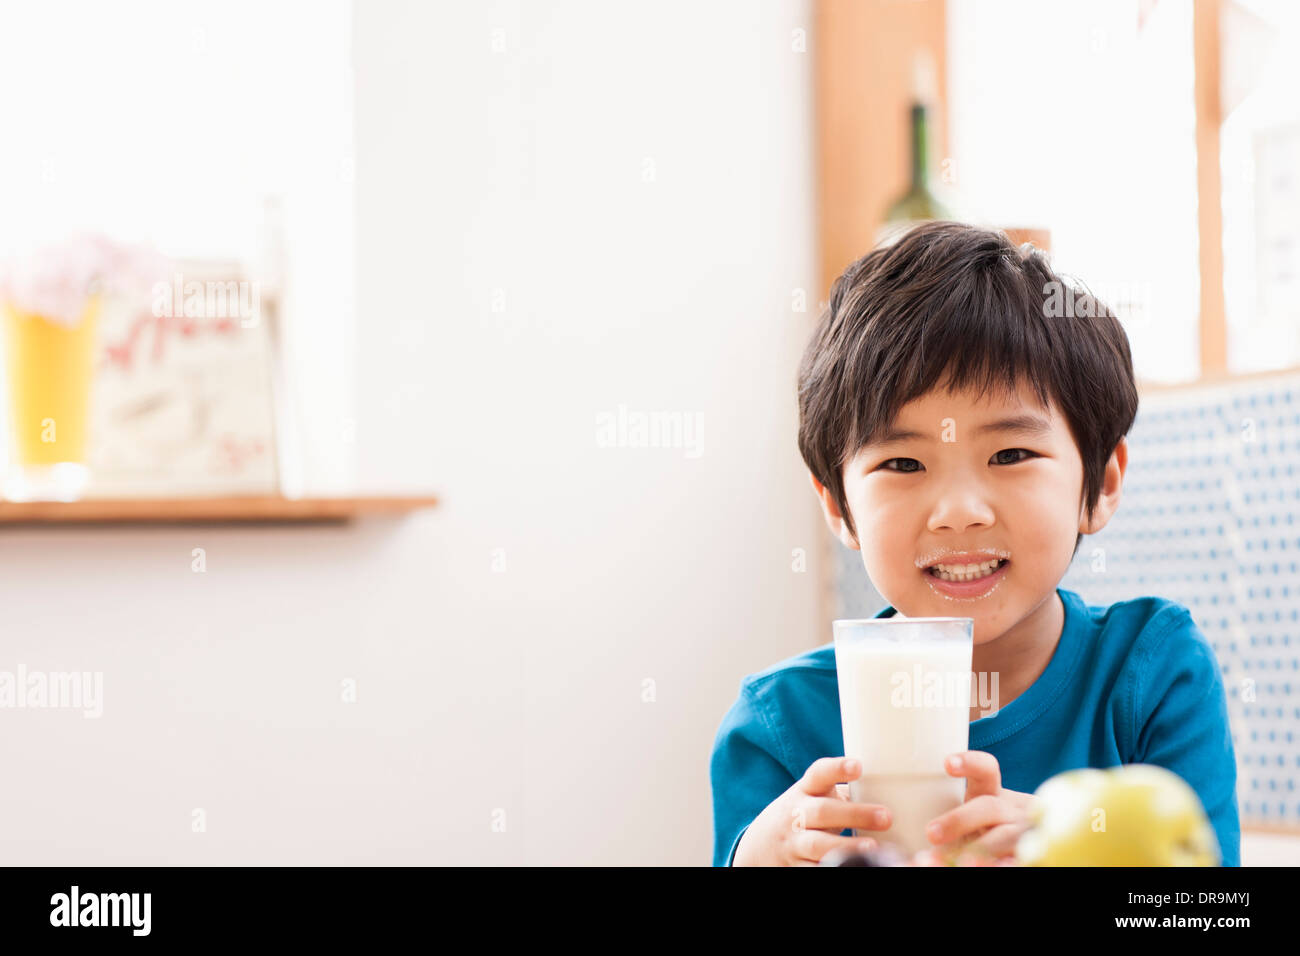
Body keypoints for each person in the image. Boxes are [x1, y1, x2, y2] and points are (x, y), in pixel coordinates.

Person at [710, 221, 1240, 867]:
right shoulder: (780, 722)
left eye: (1011, 453)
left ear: (1100, 484)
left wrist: (1071, 848)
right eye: (903, 464)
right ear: (838, 506)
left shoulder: (1151, 671)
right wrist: (756, 858)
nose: (958, 513)